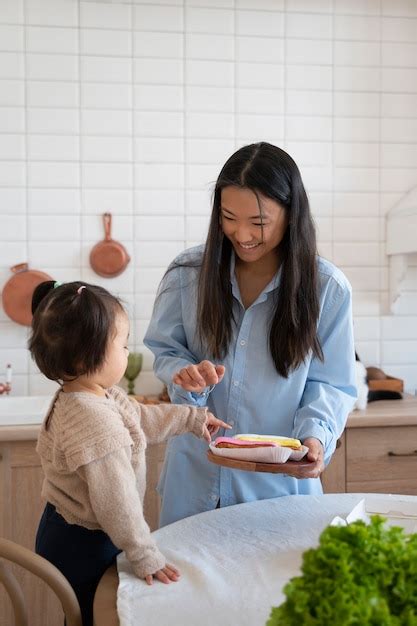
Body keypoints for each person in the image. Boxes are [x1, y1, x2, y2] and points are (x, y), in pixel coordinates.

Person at [144, 142, 357, 528]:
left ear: (292, 214)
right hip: (192, 485)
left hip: (278, 493)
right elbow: (165, 349)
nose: (241, 235)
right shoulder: (187, 274)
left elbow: (330, 386)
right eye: (228, 218)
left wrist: (315, 439)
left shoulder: (328, 289)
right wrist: (184, 374)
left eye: (258, 222)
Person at [29, 281, 229, 626]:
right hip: (82, 540)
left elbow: (139, 418)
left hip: (80, 528)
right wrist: (144, 553)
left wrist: (193, 419)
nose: (126, 352)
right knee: (99, 615)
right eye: (121, 344)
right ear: (85, 356)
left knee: (87, 612)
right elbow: (115, 499)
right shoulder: (92, 420)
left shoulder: (96, 394)